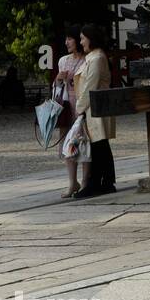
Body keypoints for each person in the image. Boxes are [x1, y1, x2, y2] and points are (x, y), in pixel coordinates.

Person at [72, 24, 117, 200]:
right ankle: (104, 182)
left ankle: (96, 183)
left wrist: (79, 108)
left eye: (83, 38)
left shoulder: (97, 58)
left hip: (96, 108)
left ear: (91, 38)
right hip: (94, 108)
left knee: (99, 146)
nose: (81, 41)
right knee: (100, 146)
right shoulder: (93, 57)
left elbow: (90, 86)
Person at [53, 27, 85, 198]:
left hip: (82, 103)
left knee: (83, 142)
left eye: (69, 39)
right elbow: (57, 88)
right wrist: (58, 79)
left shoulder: (87, 59)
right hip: (67, 106)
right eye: (66, 39)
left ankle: (86, 180)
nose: (66, 43)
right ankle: (72, 182)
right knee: (67, 143)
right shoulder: (63, 61)